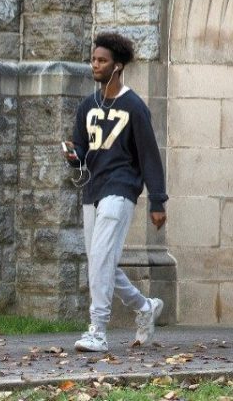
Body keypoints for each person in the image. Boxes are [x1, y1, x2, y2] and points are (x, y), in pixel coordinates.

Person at [63, 32, 168, 353]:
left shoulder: (134, 107)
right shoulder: (87, 106)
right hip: (92, 190)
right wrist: (73, 155)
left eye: (102, 60)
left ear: (117, 66)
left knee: (100, 260)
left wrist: (157, 200)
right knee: (100, 261)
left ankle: (97, 330)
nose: (95, 65)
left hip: (121, 189)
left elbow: (149, 155)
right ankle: (145, 307)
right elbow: (82, 148)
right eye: (93, 60)